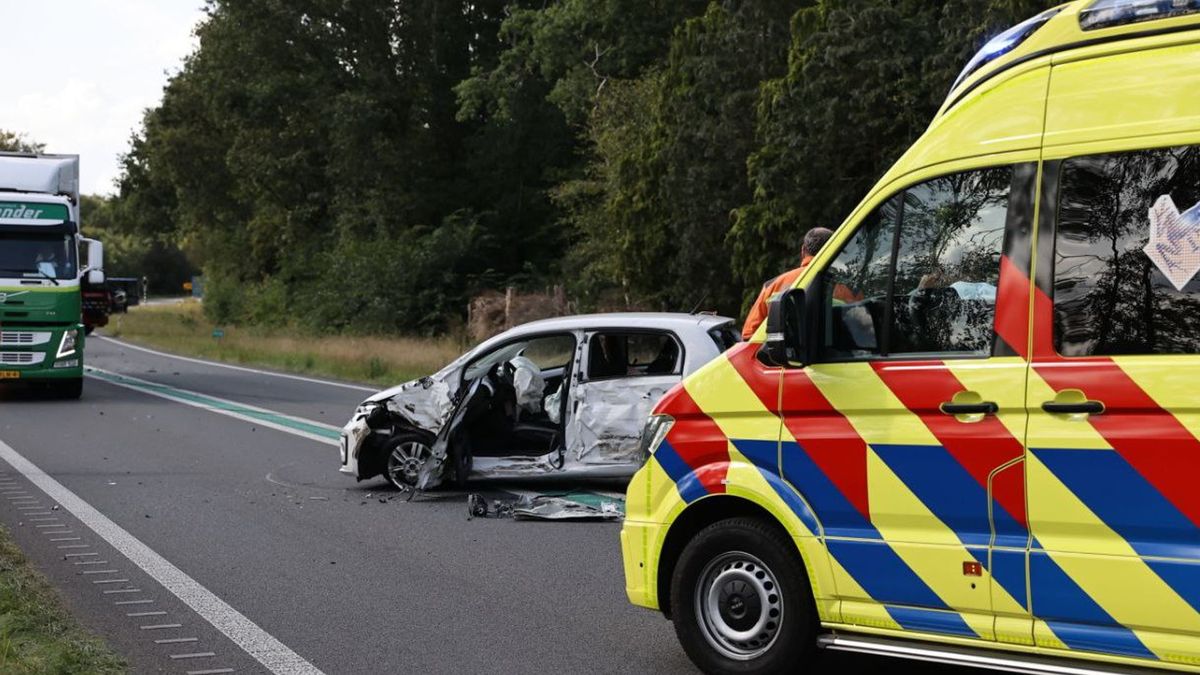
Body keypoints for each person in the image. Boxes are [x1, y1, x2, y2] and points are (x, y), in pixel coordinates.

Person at [741, 227, 835, 339]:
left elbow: (748, 335)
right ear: (833, 251)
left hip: (784, 356)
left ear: (803, 250)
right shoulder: (847, 287)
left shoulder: (772, 285)